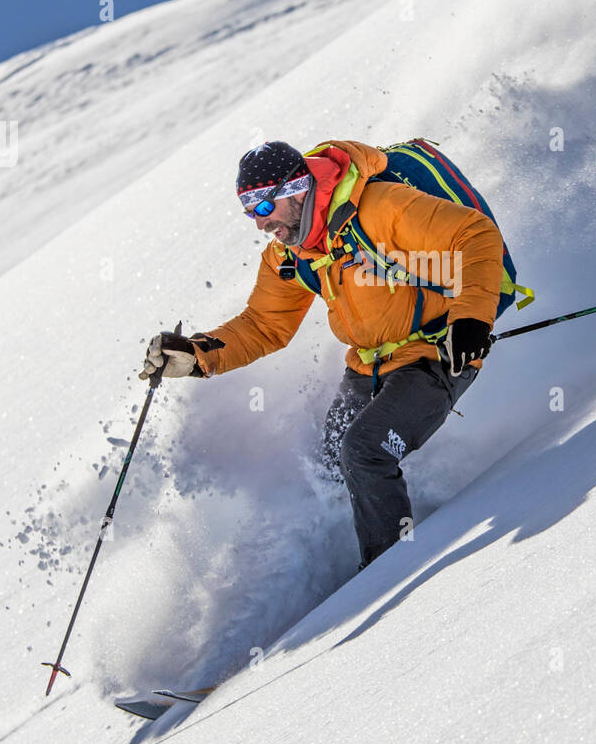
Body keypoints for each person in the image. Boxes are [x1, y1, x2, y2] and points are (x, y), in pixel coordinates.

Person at [140, 139, 503, 568]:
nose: (260, 224)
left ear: (296, 189)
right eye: (248, 211)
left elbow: (474, 233)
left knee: (363, 451)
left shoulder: (380, 207)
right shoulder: (291, 253)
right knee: (332, 461)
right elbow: (264, 324)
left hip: (438, 351)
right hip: (369, 363)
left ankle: (390, 573)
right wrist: (197, 357)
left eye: (262, 206)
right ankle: (359, 550)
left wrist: (472, 321)